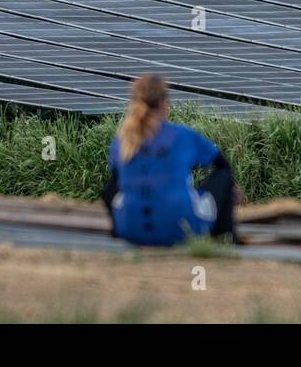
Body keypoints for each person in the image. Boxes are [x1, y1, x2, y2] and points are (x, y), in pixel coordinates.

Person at [100, 73, 237, 245]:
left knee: (117, 187)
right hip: (180, 228)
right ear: (164, 103)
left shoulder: (122, 140)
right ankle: (226, 236)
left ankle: (124, 227)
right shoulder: (182, 135)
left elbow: (109, 192)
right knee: (223, 176)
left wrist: (117, 227)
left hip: (129, 230)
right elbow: (222, 165)